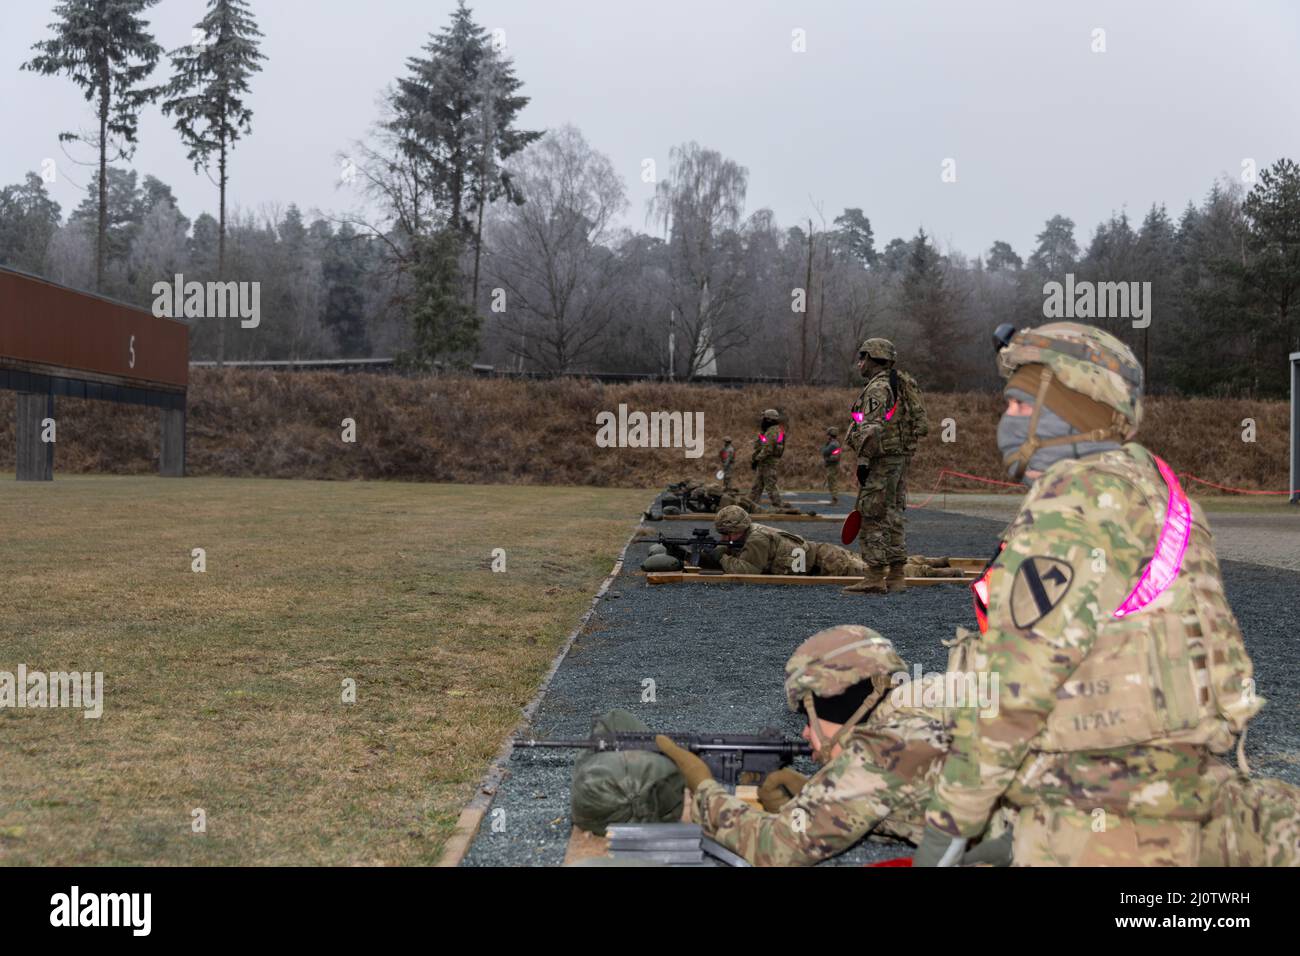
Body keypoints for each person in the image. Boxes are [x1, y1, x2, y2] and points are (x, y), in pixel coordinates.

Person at [914, 321, 1296, 867]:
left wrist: (945, 833)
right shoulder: (1151, 481)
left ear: (1067, 412)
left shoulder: (1075, 500)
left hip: (1107, 808)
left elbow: (1014, 692)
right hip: (1173, 781)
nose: (1006, 420)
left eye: (1021, 406)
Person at [654, 625, 1013, 866]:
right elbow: (907, 802)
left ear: (843, 708)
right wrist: (817, 796)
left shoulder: (885, 746)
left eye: (809, 719)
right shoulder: (916, 711)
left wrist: (702, 788)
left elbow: (776, 849)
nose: (807, 735)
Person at [842, 339, 906, 594]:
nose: (860, 362)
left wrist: (863, 460)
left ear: (872, 358)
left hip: (881, 459)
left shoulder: (877, 389)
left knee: (871, 513)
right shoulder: (895, 384)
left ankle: (875, 576)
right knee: (893, 514)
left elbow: (871, 427)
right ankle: (896, 576)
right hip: (897, 458)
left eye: (863, 357)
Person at [704, 505, 863, 576]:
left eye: (728, 534)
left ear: (741, 528)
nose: (724, 539)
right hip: (820, 559)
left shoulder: (756, 538)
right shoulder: (746, 534)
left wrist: (721, 557)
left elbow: (747, 571)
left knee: (877, 573)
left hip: (827, 561)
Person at [749, 408, 786, 509]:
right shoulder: (777, 431)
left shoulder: (772, 432)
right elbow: (765, 443)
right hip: (766, 462)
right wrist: (761, 436)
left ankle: (778, 505)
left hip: (768, 462)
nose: (763, 420)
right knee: (757, 485)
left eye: (764, 418)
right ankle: (751, 504)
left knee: (770, 485)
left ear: (769, 420)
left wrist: (756, 459)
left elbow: (767, 449)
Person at [821, 428, 842, 505]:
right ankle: (834, 498)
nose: (827, 436)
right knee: (831, 481)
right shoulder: (831, 443)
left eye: (828, 435)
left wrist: (827, 459)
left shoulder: (834, 445)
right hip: (831, 466)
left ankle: (835, 499)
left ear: (830, 435)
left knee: (832, 482)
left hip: (833, 466)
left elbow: (836, 457)